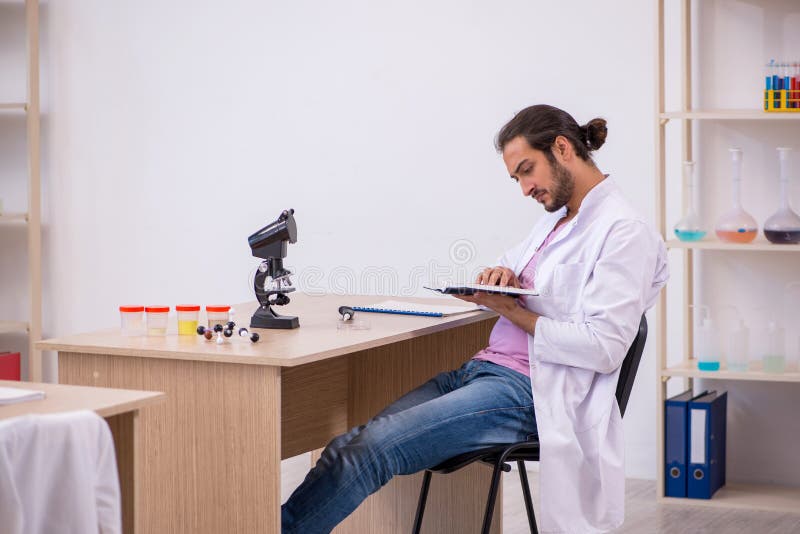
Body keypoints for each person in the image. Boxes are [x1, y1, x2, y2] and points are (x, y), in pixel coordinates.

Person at [281, 104, 668, 533]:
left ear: (562, 148)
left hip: (532, 391)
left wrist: (510, 309)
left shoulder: (623, 232)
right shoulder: (558, 222)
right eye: (516, 178)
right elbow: (514, 274)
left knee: (372, 450)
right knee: (345, 447)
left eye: (527, 170)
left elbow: (604, 348)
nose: (524, 189)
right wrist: (498, 278)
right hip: (480, 373)